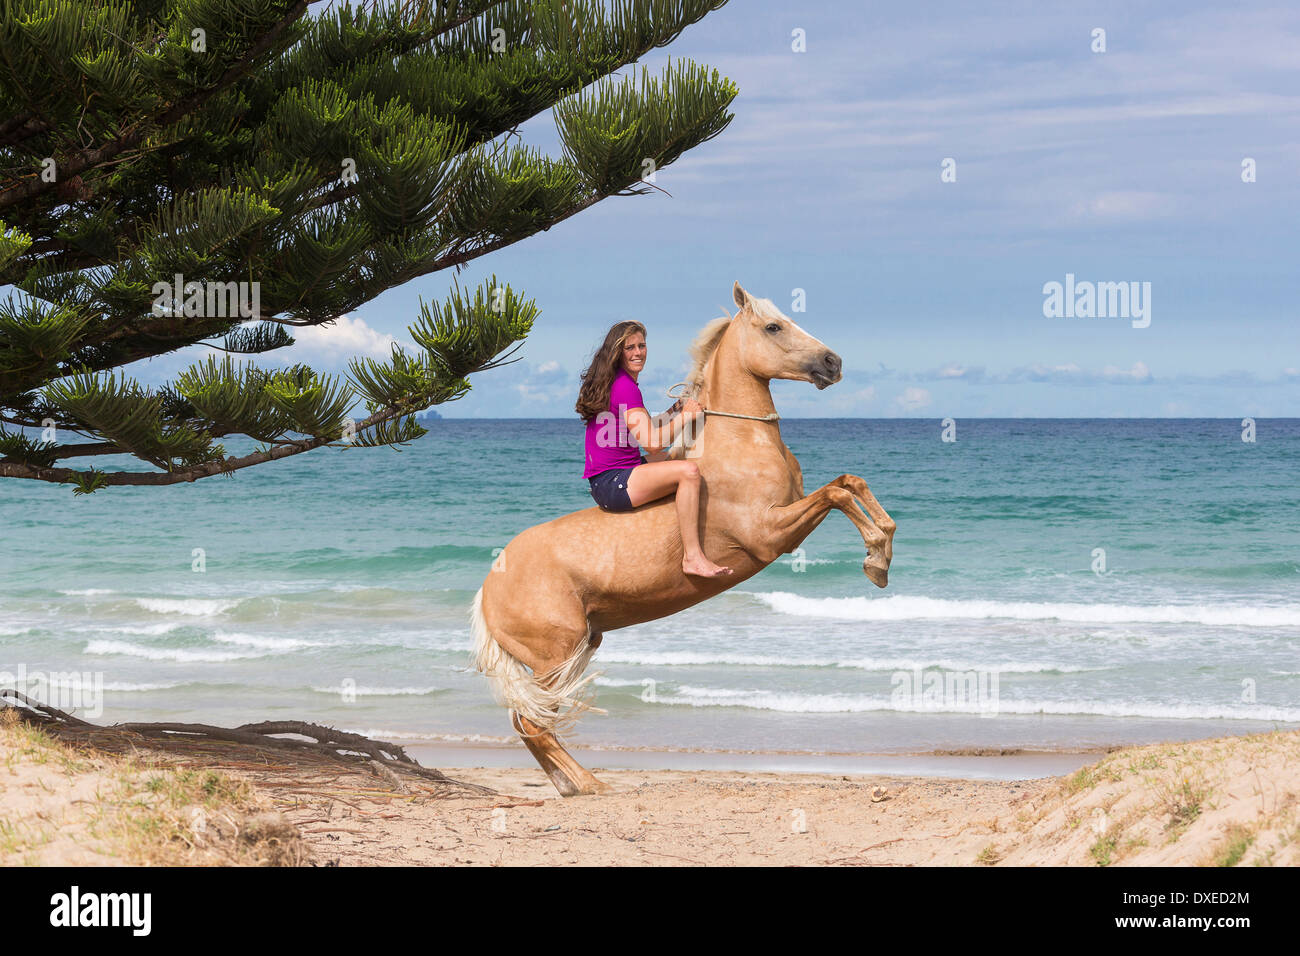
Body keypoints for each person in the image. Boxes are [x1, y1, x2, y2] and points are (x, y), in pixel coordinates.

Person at [576, 321, 733, 578]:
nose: (638, 352)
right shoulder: (625, 387)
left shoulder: (619, 382)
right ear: (618, 352)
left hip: (617, 472)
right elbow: (651, 443)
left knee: (673, 458)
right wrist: (687, 417)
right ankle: (692, 558)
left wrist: (673, 412)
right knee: (689, 472)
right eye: (630, 348)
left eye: (642, 345)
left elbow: (642, 431)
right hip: (613, 482)